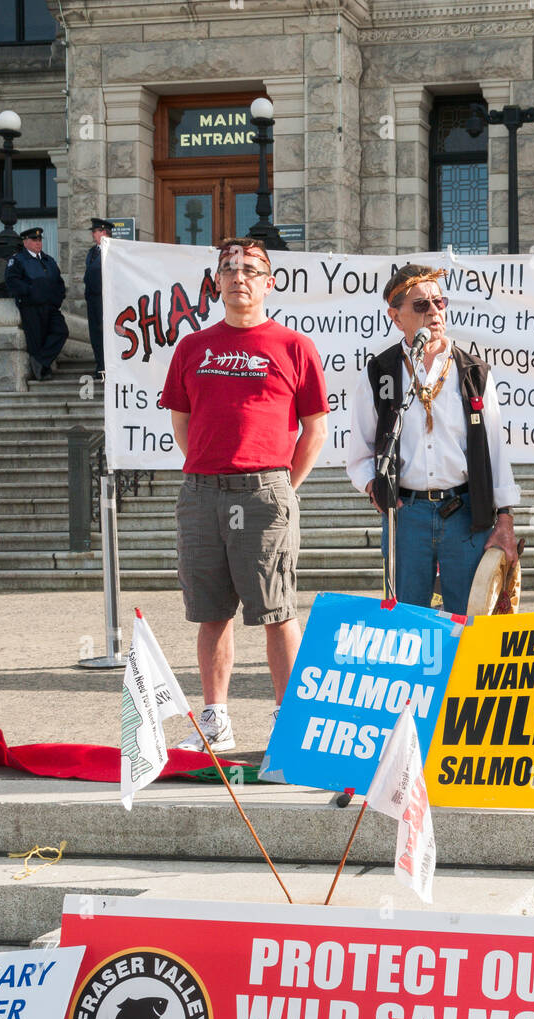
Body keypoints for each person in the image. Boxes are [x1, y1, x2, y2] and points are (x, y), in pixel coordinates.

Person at [159, 236, 329, 752]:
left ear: (269, 281)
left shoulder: (293, 347)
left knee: (277, 611)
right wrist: (210, 471)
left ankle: (288, 718)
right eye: (229, 269)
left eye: (251, 269)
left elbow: (314, 429)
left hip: (264, 492)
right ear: (216, 282)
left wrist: (281, 488)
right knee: (211, 612)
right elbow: (182, 422)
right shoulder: (192, 348)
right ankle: (216, 718)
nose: (239, 277)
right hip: (201, 494)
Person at [347, 262, 520, 614]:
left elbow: (495, 453)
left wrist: (504, 520)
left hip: (465, 514)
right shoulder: (381, 372)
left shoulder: (472, 371)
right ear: (396, 317)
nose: (434, 313)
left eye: (439, 303)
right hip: (405, 515)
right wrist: (375, 490)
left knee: (467, 618)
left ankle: (461, 672)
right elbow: (360, 451)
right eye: (421, 306)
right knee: (407, 619)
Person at [4, 227, 68, 381]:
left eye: (39, 240)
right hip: (31, 307)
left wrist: (58, 298)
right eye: (34, 240)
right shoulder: (18, 260)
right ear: (25, 242)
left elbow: (59, 282)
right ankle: (42, 371)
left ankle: (40, 361)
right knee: (37, 341)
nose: (38, 243)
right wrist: (31, 291)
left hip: (50, 306)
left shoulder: (48, 260)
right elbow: (12, 282)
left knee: (61, 331)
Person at [84, 217, 114, 379]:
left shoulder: (113, 250)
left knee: (106, 333)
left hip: (106, 299)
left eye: (95, 231)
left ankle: (107, 366)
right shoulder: (93, 252)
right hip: (93, 299)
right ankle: (100, 365)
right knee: (95, 333)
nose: (93, 234)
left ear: (103, 232)